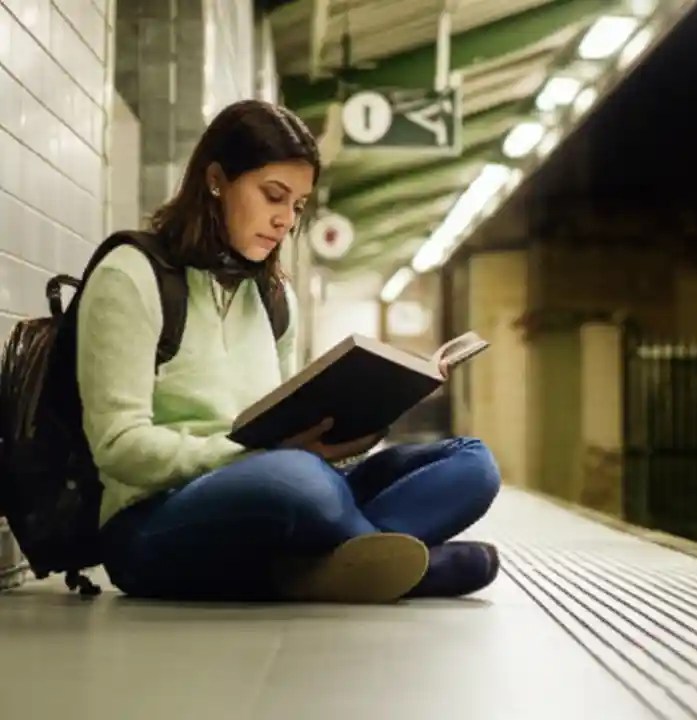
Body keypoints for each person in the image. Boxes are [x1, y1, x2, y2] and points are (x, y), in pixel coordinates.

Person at [78, 99, 502, 604]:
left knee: (472, 464)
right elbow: (118, 447)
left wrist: (344, 435)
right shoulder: (132, 275)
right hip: (152, 522)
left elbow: (281, 421)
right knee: (298, 481)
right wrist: (255, 456)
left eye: (297, 206)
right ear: (216, 180)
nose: (284, 220)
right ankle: (385, 558)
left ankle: (325, 565)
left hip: (277, 488)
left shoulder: (274, 297)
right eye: (273, 196)